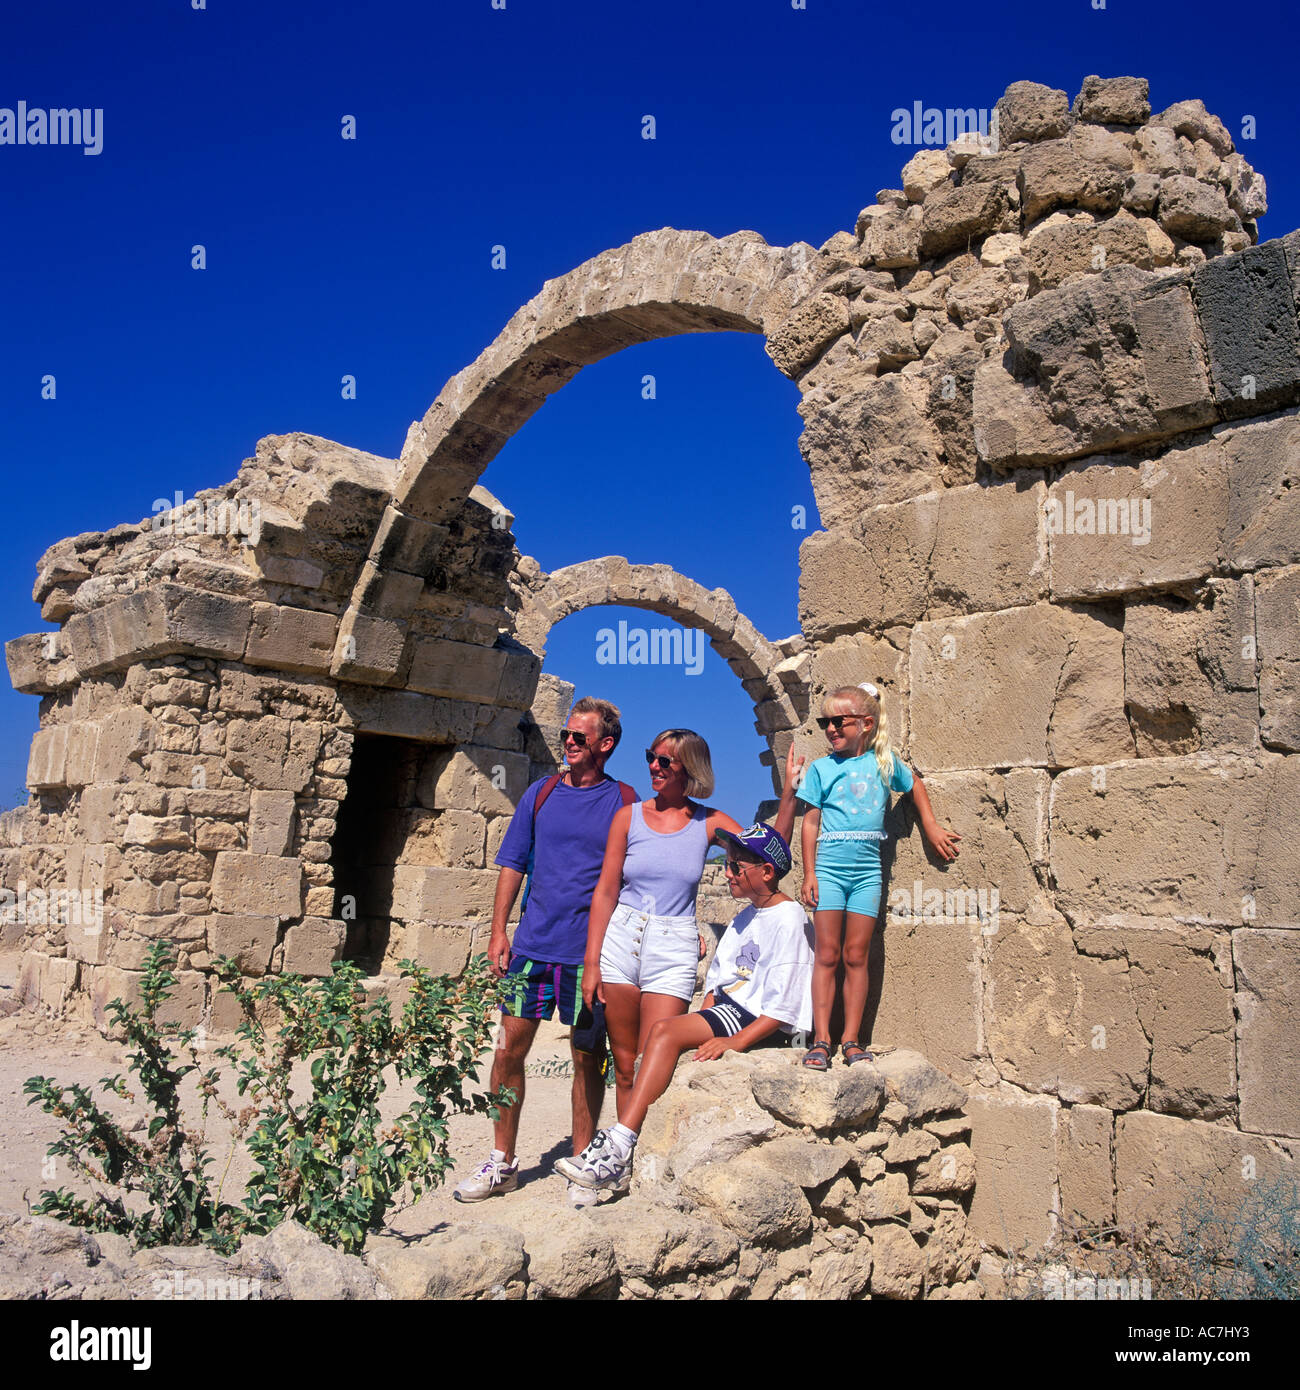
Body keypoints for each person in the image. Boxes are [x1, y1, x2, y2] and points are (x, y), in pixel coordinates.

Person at [556, 821, 812, 1192]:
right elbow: (717, 986)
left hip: (753, 1019)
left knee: (662, 1032)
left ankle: (620, 1142)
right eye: (725, 863)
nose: (727, 874)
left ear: (767, 871)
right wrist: (703, 1020)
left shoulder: (788, 918)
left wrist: (734, 1042)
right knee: (663, 1038)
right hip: (730, 1010)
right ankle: (622, 1142)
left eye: (736, 867)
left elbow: (784, 1006)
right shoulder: (745, 916)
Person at [453, 696, 636, 1207]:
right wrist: (498, 931)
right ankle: (501, 1162)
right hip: (532, 948)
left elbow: (636, 872)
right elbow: (512, 863)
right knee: (509, 1052)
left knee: (586, 1058)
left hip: (589, 955)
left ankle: (582, 1164)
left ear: (606, 744)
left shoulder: (624, 799)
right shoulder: (540, 793)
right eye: (566, 734)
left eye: (581, 736)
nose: (569, 742)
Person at [579, 730, 744, 1138]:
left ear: (690, 769)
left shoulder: (711, 823)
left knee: (650, 1057)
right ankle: (618, 1162)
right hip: (622, 938)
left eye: (665, 761)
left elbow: (764, 855)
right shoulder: (627, 817)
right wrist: (591, 961)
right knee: (622, 1062)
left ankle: (635, 1155)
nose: (654, 766)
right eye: (651, 756)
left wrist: (791, 800)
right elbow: (605, 890)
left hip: (672, 945)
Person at [796, 682, 960, 1070]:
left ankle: (852, 1039)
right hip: (830, 871)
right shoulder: (821, 769)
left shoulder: (884, 763)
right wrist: (809, 874)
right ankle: (821, 1039)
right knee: (827, 955)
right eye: (825, 722)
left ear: (866, 723)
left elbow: (914, 785)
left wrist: (931, 826)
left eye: (839, 721)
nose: (831, 729)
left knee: (857, 956)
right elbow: (810, 822)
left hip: (868, 872)